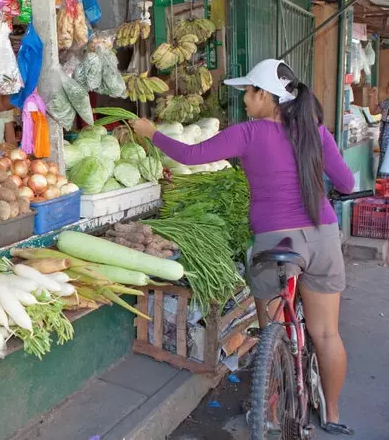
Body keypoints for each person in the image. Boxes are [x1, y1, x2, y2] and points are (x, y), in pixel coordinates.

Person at [131, 59, 355, 435]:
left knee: (274, 331)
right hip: (323, 237)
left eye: (248, 93)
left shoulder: (249, 134)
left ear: (265, 96)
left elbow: (189, 155)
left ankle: (269, 410)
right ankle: (332, 416)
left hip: (275, 242)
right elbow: (347, 184)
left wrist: (151, 131)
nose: (245, 101)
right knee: (327, 333)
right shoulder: (316, 132)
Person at [367, 86, 389, 178]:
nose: (387, 89)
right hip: (384, 139)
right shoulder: (386, 102)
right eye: (388, 87)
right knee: (384, 163)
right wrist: (372, 96)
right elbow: (373, 111)